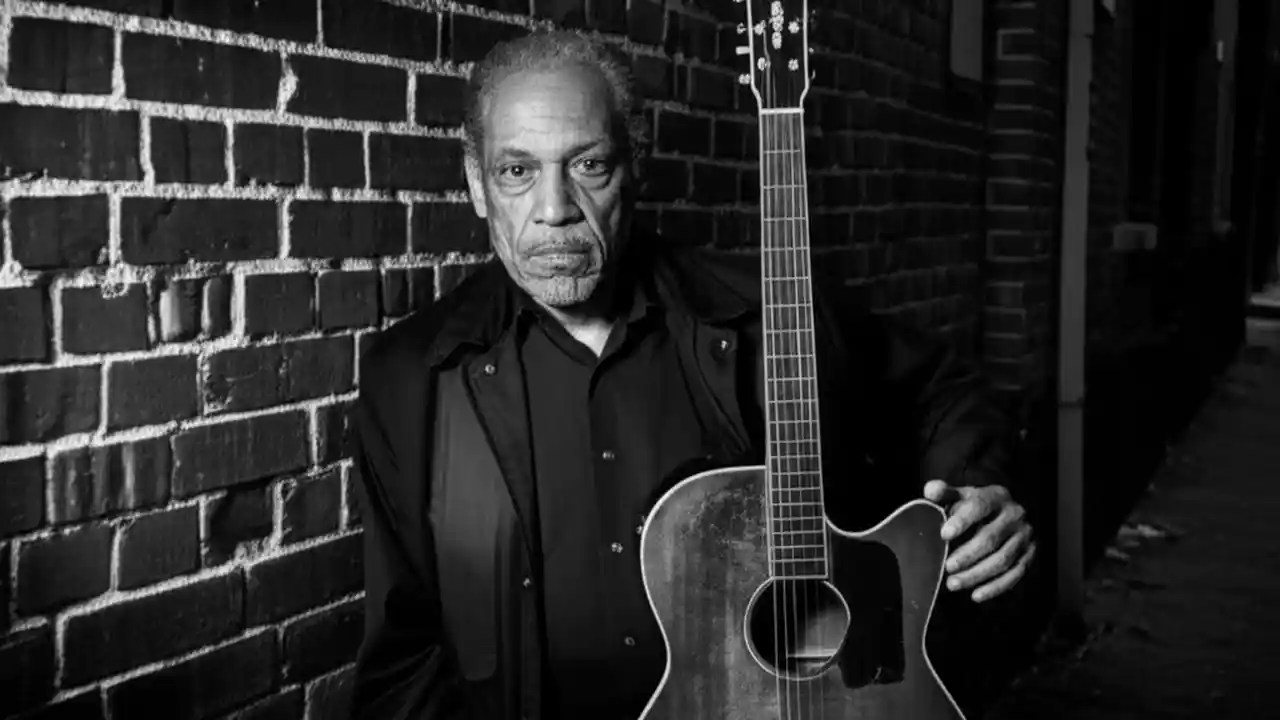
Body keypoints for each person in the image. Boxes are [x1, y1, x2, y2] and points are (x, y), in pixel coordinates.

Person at [349, 29, 1036, 720]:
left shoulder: (767, 315)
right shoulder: (412, 380)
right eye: (517, 171)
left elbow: (943, 389)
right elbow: (404, 660)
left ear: (634, 166)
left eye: (589, 164)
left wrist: (975, 497)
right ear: (477, 184)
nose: (554, 209)